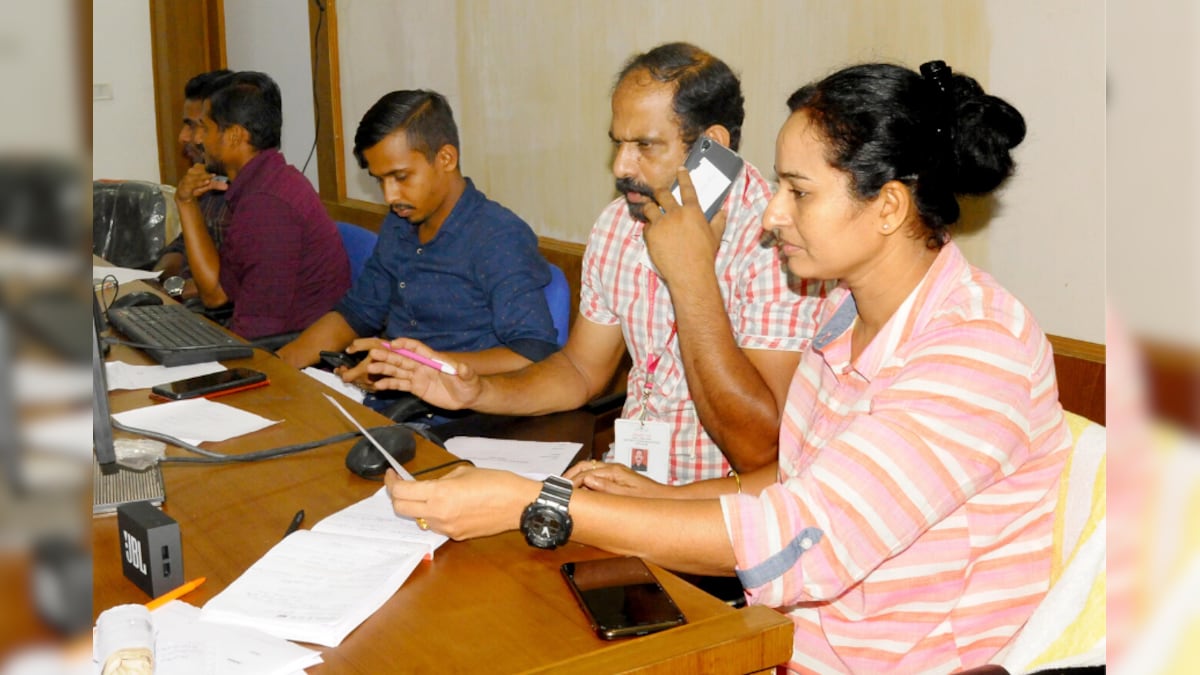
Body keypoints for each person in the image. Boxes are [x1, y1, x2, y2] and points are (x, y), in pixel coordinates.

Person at [381, 61, 1072, 673]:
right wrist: (652, 497)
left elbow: (798, 538)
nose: (772, 213)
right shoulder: (844, 314)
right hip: (785, 640)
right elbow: (798, 476)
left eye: (799, 192)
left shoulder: (977, 350)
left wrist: (539, 502)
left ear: (888, 205)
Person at [368, 43, 828, 483]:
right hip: (626, 480)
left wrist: (691, 277)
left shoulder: (777, 243)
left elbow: (760, 450)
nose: (621, 167)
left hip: (719, 513)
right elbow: (581, 373)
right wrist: (477, 392)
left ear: (711, 146)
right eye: (618, 144)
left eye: (645, 146)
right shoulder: (619, 222)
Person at [275, 90, 559, 394]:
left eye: (401, 177)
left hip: (457, 418)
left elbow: (533, 352)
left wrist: (414, 367)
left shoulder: (498, 238)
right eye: (379, 180)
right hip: (388, 404)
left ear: (446, 159)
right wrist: (278, 367)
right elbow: (356, 314)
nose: (389, 196)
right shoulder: (399, 224)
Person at [174, 71, 350, 339]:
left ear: (234, 135)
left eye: (206, 129)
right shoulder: (265, 182)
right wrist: (186, 202)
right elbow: (216, 292)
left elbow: (254, 333)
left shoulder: (267, 204)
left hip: (290, 359)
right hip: (272, 340)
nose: (199, 140)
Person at [154, 68, 232, 293]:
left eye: (196, 126)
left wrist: (174, 291)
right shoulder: (210, 180)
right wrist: (156, 281)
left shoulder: (254, 197)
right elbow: (183, 246)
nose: (184, 137)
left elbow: (227, 288)